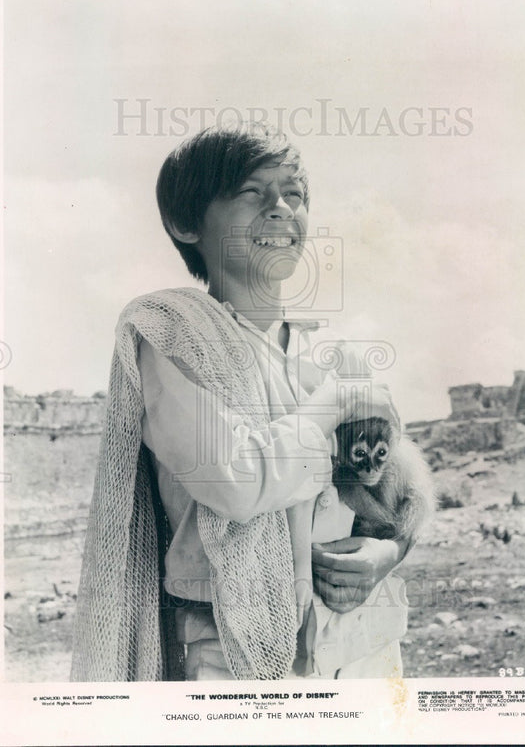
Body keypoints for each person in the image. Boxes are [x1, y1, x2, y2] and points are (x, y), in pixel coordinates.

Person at [71, 122, 409, 682]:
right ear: (187, 223)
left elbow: (400, 491)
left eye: (294, 193)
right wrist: (337, 402)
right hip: (235, 655)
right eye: (252, 193)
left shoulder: (336, 354)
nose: (281, 208)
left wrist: (389, 554)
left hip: (363, 645)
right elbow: (236, 482)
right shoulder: (173, 337)